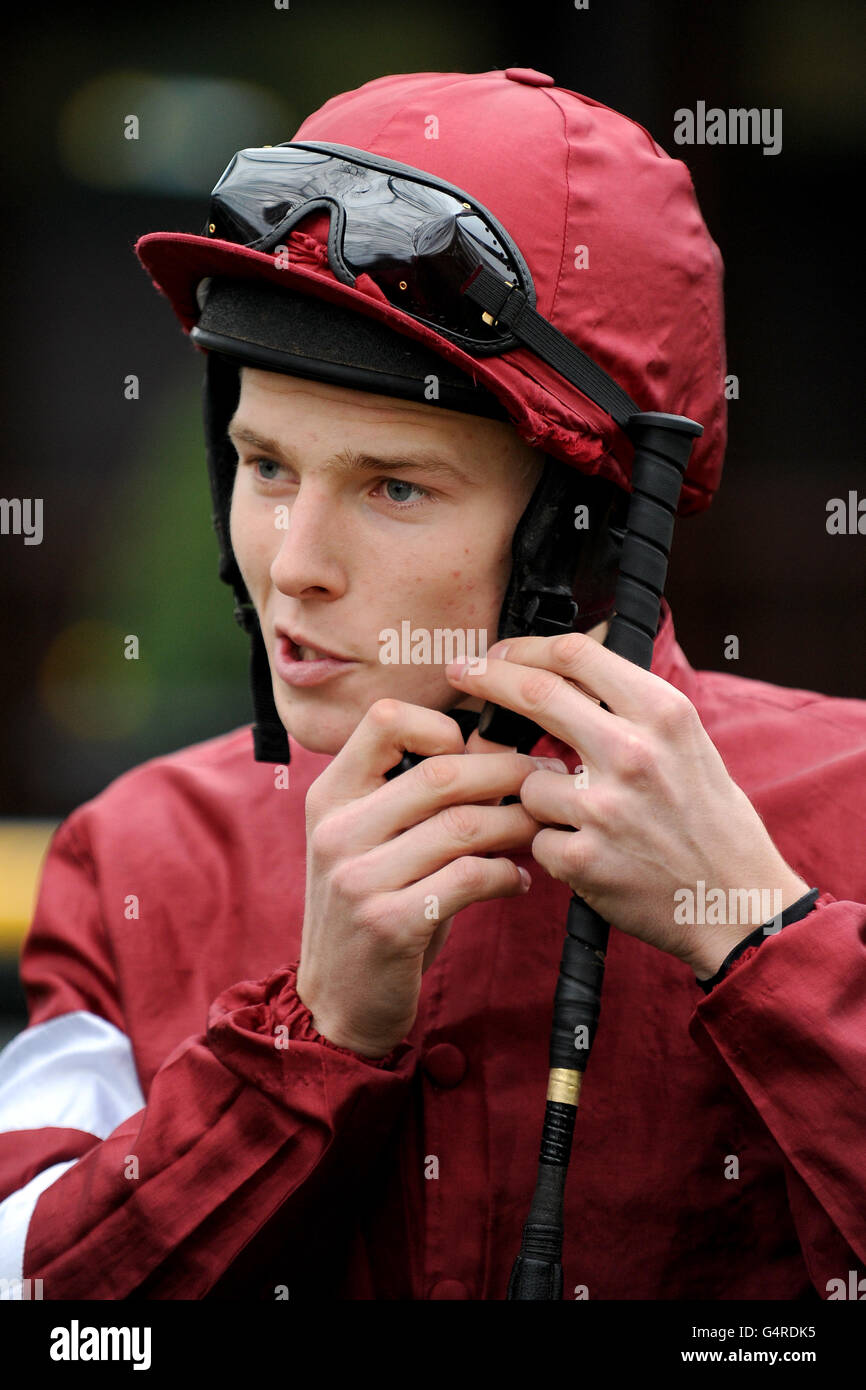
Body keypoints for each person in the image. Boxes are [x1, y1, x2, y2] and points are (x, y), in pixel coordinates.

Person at [0, 68, 864, 1302]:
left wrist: (759, 941)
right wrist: (305, 1037)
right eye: (264, 463)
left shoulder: (851, 805)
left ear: (593, 530)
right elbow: (43, 1298)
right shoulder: (135, 854)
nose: (292, 566)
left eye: (391, 487)